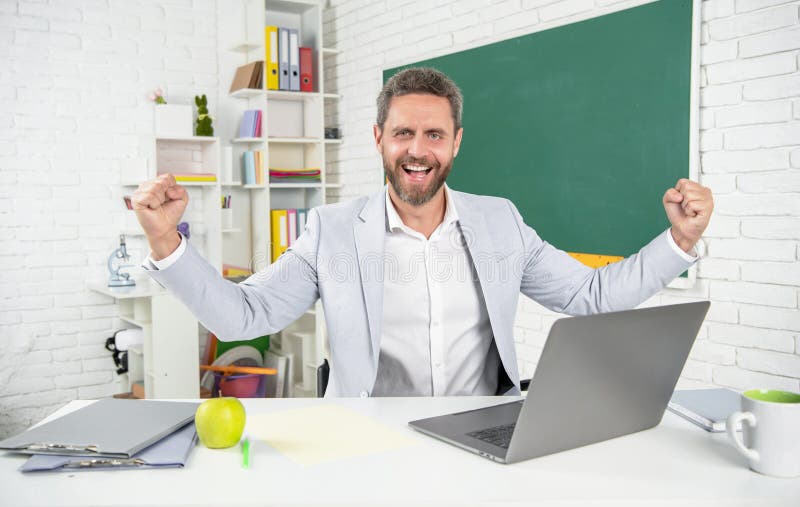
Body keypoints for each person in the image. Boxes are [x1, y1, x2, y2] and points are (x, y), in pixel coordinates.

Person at [134, 67, 713, 398]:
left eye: (434, 135)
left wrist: (679, 242)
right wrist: (167, 242)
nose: (418, 150)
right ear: (379, 139)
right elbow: (245, 316)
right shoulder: (331, 231)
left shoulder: (502, 222)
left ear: (456, 142)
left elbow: (591, 295)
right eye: (403, 133)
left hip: (482, 433)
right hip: (367, 441)